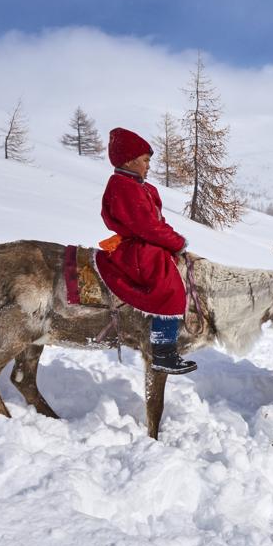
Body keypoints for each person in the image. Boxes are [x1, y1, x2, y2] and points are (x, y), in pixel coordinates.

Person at [94, 127, 197, 375]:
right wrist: (177, 243)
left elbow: (158, 223)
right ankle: (163, 351)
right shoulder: (124, 186)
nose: (148, 165)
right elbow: (147, 227)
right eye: (145, 160)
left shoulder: (141, 186)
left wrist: (174, 239)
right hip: (137, 247)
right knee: (169, 286)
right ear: (129, 161)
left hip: (146, 242)